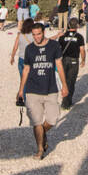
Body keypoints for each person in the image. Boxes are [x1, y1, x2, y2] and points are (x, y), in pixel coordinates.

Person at [17, 22, 68, 159]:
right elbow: (26, 69)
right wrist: (21, 90)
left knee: (52, 119)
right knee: (36, 121)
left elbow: (59, 65)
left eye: (38, 34)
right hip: (33, 90)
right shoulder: (30, 49)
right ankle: (40, 149)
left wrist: (64, 85)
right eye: (34, 35)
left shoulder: (54, 46)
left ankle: (42, 134)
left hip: (50, 88)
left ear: (43, 32)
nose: (36, 37)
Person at [59, 19, 86, 110]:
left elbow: (59, 48)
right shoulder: (79, 37)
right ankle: (66, 102)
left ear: (68, 25)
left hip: (64, 60)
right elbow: (82, 50)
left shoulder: (62, 36)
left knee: (64, 81)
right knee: (71, 82)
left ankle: (65, 100)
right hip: (74, 61)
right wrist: (83, 60)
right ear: (77, 26)